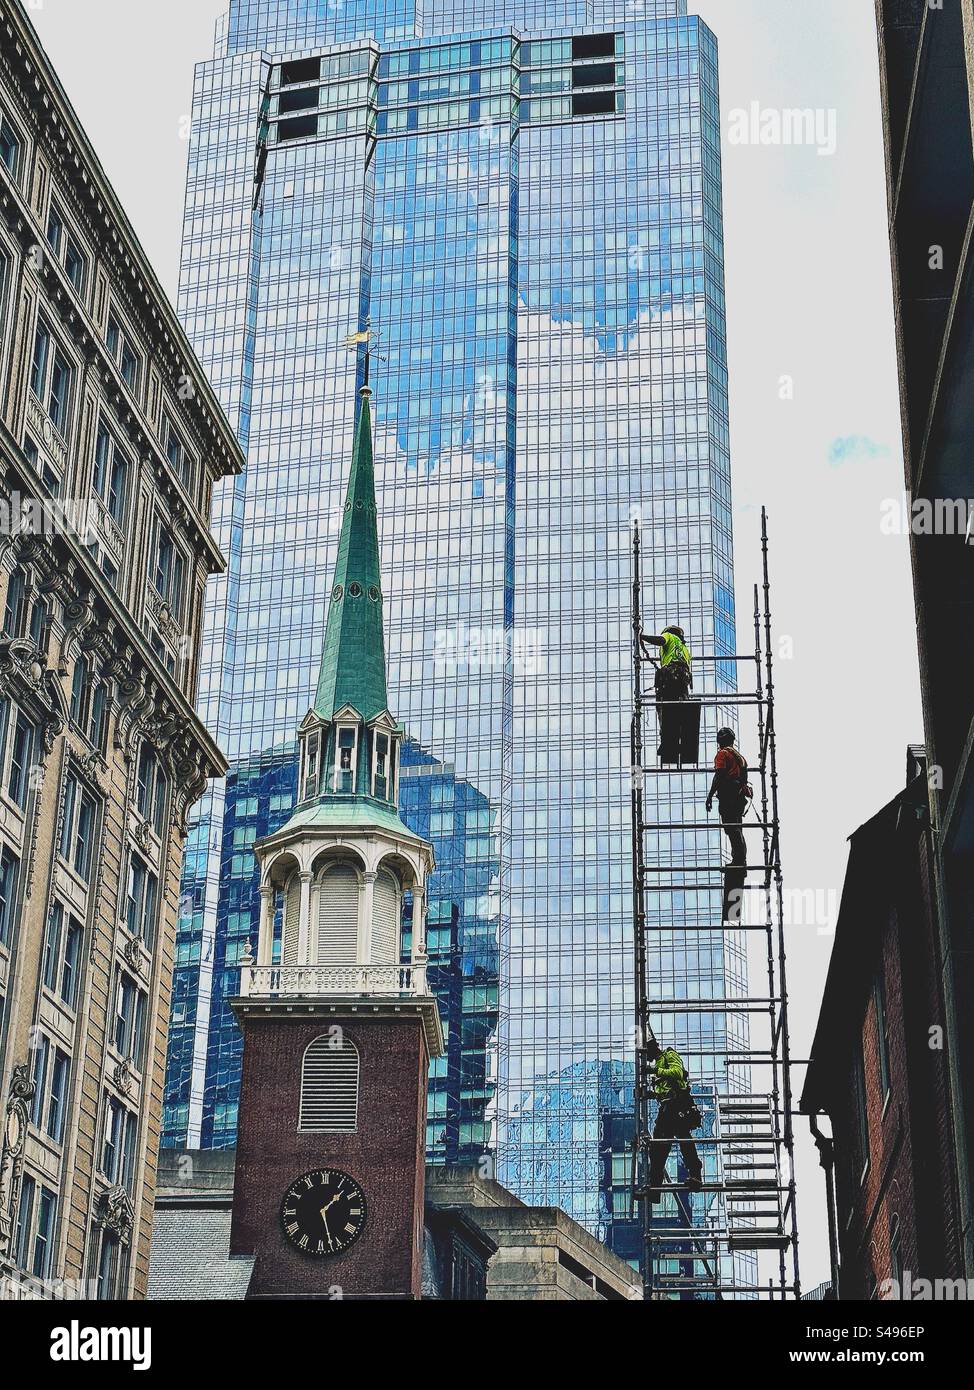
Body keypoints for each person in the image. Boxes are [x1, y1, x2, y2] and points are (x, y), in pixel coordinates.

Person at [646, 1037, 703, 1202]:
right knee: (658, 1149)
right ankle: (655, 1188)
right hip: (666, 1108)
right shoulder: (658, 1064)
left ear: (652, 1048)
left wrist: (656, 1072)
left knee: (685, 1141)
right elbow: (663, 1090)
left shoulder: (669, 1055)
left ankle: (695, 1176)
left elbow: (677, 1073)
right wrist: (653, 1094)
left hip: (678, 1104)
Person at [706, 728, 752, 924]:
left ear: (721, 740)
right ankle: (739, 858)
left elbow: (719, 775)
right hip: (738, 795)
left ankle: (738, 859)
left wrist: (709, 796)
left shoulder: (723, 754)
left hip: (728, 794)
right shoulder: (739, 756)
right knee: (736, 828)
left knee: (731, 828)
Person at [642, 624, 693, 763]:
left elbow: (660, 640)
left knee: (664, 707)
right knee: (680, 708)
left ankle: (667, 740)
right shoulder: (685, 649)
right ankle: (681, 739)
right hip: (683, 680)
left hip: (670, 675)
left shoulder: (670, 636)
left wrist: (642, 637)